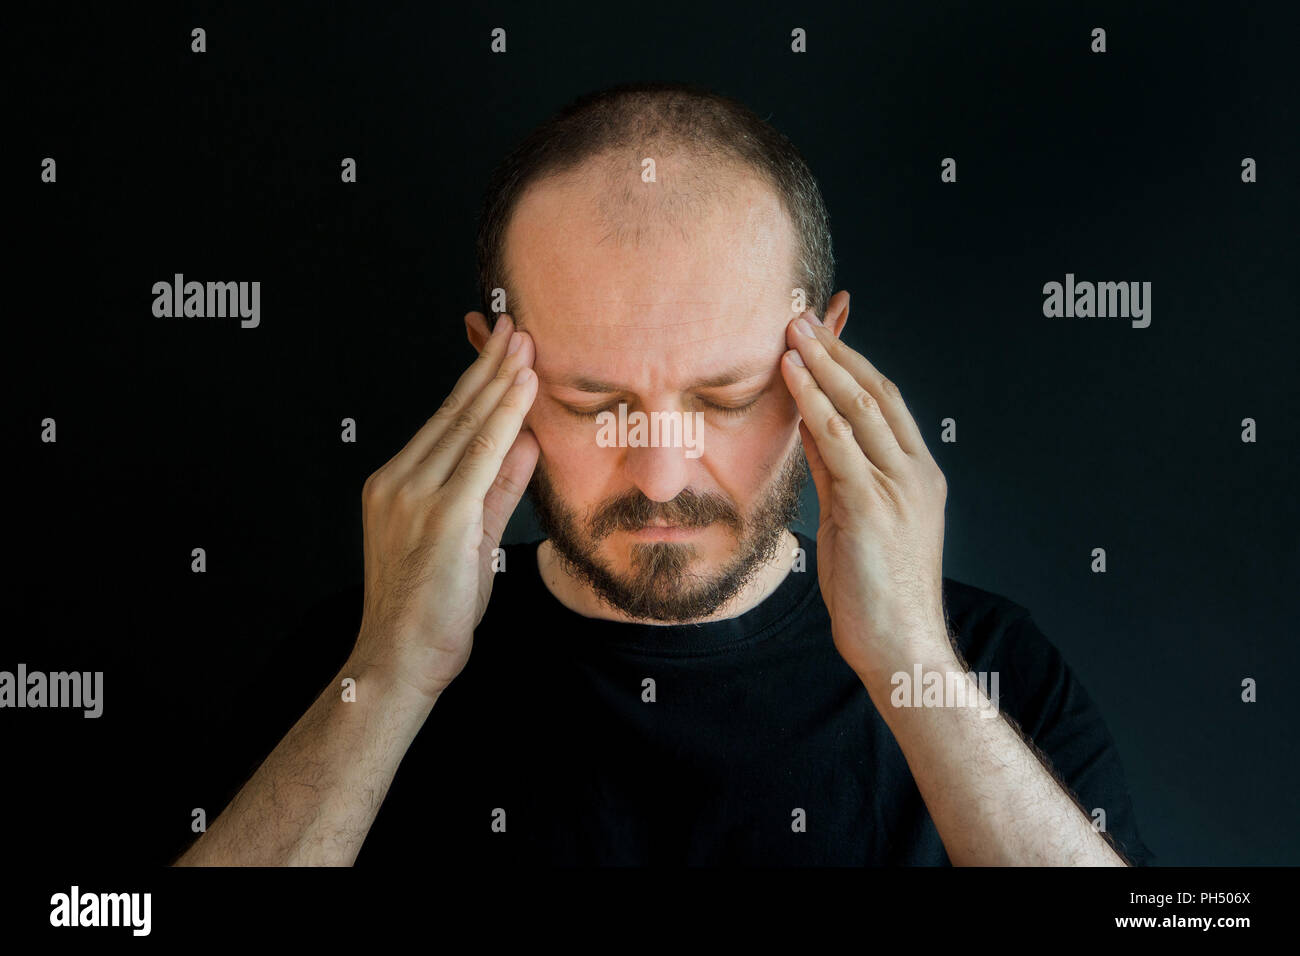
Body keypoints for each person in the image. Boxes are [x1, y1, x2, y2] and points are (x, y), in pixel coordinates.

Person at [175, 82, 1153, 866]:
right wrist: (389, 676)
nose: (659, 474)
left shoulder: (986, 659)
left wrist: (914, 668)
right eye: (595, 403)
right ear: (490, 373)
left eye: (723, 398)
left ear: (827, 361)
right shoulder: (353, 660)